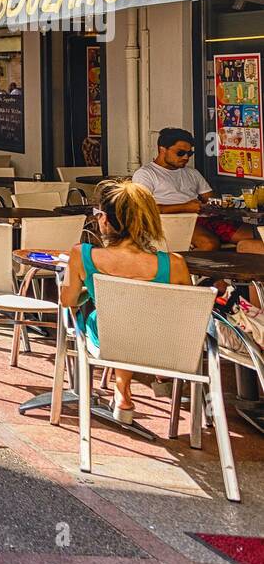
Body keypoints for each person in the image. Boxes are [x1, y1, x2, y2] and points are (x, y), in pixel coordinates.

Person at [60, 180, 193, 425]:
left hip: (108, 340)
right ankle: (127, 389)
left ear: (106, 220)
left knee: (114, 323)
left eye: (98, 214)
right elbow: (185, 314)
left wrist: (89, 287)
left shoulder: (82, 254)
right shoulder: (174, 264)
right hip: (163, 348)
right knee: (136, 323)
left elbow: (67, 300)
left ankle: (122, 392)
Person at [133, 127, 264, 254]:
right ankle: (185, 272)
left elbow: (210, 198)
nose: (186, 157)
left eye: (189, 153)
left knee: (254, 234)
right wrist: (185, 207)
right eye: (180, 153)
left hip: (205, 218)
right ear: (162, 150)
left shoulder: (192, 173)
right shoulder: (145, 174)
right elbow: (144, 209)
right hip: (172, 222)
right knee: (210, 244)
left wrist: (231, 203)